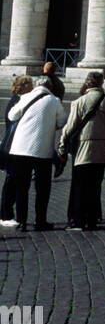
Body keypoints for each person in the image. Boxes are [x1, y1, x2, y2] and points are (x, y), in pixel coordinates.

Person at [58, 71, 105, 231]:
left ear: (87, 83)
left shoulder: (80, 101)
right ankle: (93, 219)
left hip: (82, 150)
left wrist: (62, 143)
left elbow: (70, 126)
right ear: (101, 84)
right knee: (95, 186)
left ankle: (78, 220)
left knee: (80, 185)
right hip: (101, 151)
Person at [6, 76, 67, 231]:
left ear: (35, 86)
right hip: (43, 150)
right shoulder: (55, 101)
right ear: (50, 87)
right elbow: (62, 122)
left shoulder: (26, 97)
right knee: (42, 189)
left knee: (21, 188)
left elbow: (12, 116)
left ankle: (22, 222)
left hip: (20, 149)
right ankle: (40, 221)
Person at [0, 75, 34, 227]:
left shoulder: (17, 99)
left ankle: (6, 213)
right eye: (31, 85)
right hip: (13, 146)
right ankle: (5, 214)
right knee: (11, 180)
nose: (33, 87)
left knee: (13, 179)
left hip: (14, 145)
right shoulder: (18, 101)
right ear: (25, 86)